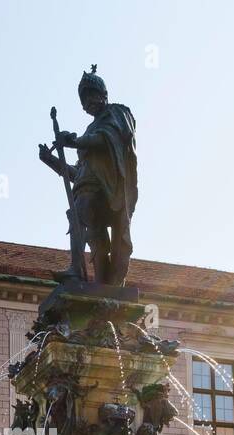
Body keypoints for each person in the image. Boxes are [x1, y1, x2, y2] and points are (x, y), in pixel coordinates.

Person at [38, 65, 138, 286]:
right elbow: (80, 173)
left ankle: (77, 269)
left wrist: (74, 141)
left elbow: (108, 137)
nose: (88, 102)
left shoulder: (117, 113)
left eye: (92, 95)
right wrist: (52, 160)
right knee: (93, 236)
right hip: (86, 191)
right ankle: (95, 280)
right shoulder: (90, 129)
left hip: (107, 193)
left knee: (80, 211)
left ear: (104, 94)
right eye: (84, 99)